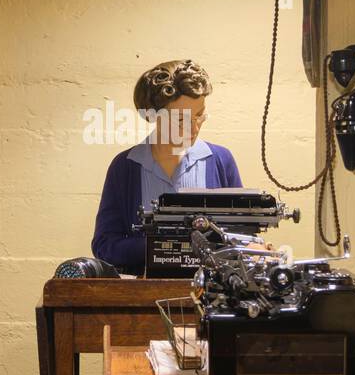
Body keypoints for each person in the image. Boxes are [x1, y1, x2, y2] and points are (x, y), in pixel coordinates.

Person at [92, 59, 242, 274]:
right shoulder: (125, 167)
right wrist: (164, 247)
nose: (194, 127)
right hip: (148, 297)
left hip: (213, 298)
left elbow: (241, 234)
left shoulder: (220, 160)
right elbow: (104, 246)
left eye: (200, 115)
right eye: (181, 119)